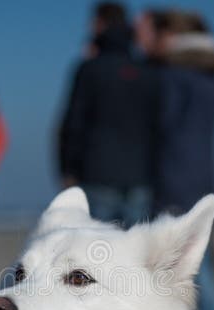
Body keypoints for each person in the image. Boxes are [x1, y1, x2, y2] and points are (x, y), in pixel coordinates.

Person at [139, 10, 214, 310]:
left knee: (192, 257)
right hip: (203, 172)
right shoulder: (209, 75)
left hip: (175, 172)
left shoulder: (174, 77)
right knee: (200, 252)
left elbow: (164, 124)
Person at [57, 2, 158, 228]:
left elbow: (73, 124)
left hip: (97, 173)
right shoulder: (148, 70)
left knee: (98, 252)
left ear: (100, 24)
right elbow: (159, 126)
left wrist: (67, 170)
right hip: (141, 175)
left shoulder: (90, 68)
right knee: (135, 253)